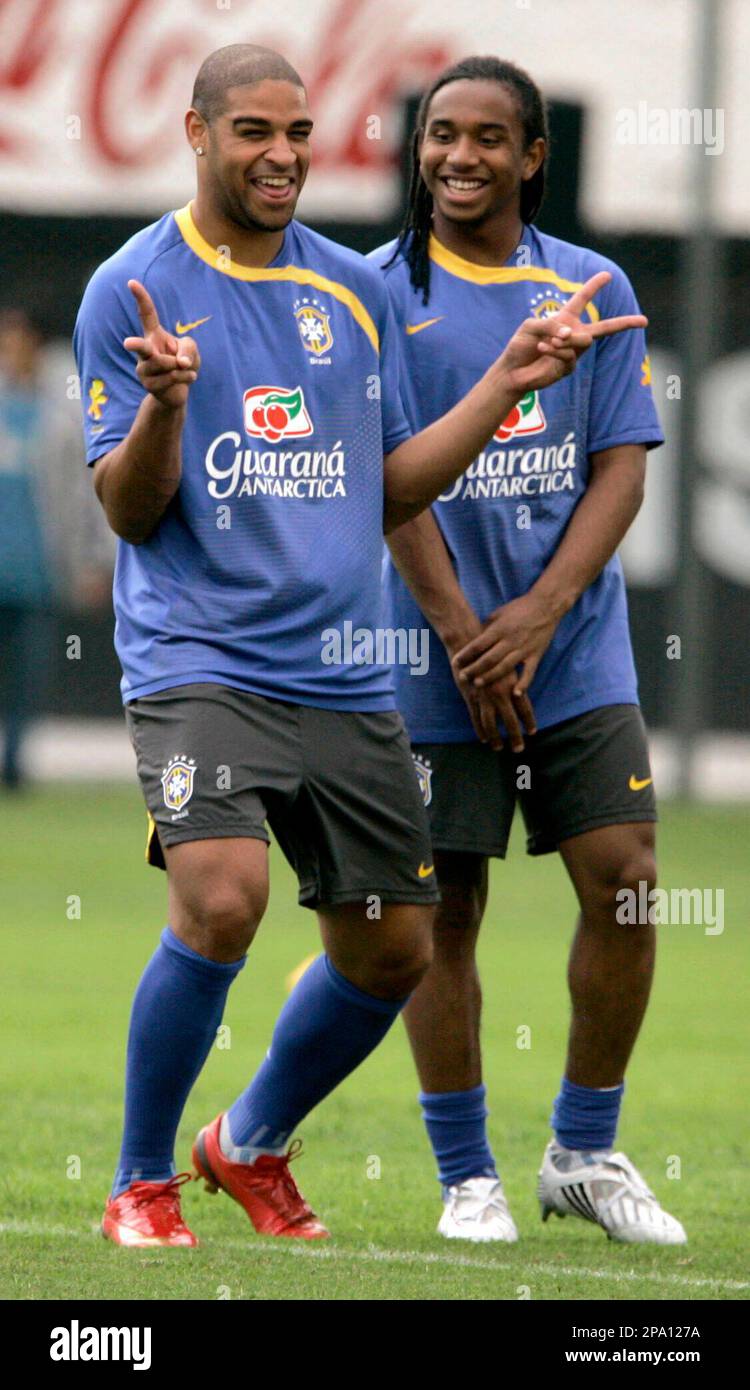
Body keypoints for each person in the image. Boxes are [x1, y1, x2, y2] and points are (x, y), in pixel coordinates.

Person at [73, 43, 645, 1250]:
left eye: (299, 132)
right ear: (196, 134)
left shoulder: (354, 289)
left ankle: (249, 1141)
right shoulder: (131, 286)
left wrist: (503, 381)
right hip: (201, 661)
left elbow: (387, 485)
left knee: (395, 949)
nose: (281, 156)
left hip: (342, 671)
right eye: (253, 134)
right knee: (223, 905)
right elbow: (128, 509)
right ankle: (139, 1180)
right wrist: (169, 408)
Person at [371, 55, 686, 1245]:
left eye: (488, 138)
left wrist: (540, 615)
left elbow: (620, 463)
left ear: (533, 156)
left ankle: (585, 1149)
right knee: (442, 907)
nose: (460, 156)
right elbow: (388, 486)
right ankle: (469, 1176)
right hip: (427, 652)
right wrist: (464, 633)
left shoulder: (591, 285)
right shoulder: (372, 296)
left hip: (573, 648)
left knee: (629, 876)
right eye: (441, 135)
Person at [0, 309, 111, 788]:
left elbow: (84, 495)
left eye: (18, 339)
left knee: (30, 676)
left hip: (38, 573)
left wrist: (92, 559)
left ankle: (13, 763)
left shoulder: (60, 419)